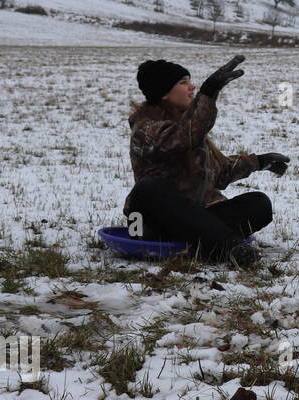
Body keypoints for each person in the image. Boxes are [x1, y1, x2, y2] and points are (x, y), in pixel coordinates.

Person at [122, 54, 290, 267]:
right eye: (183, 82)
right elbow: (184, 137)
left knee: (259, 203)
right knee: (151, 188)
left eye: (191, 81)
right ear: (163, 93)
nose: (192, 86)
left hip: (189, 221)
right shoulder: (146, 129)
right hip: (149, 224)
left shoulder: (187, 127)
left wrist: (259, 162)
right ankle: (228, 248)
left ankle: (205, 241)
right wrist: (209, 92)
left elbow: (218, 173)